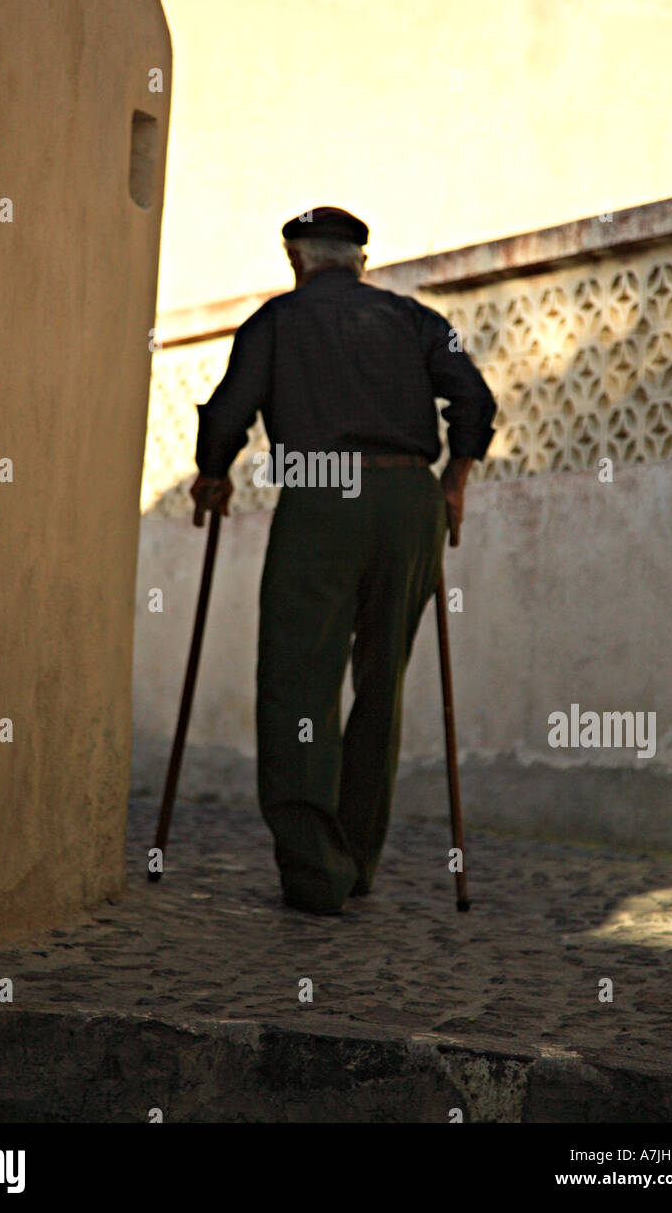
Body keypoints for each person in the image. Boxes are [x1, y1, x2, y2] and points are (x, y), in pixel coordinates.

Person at [190, 207, 496, 915]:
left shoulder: (277, 320)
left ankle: (315, 873)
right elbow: (474, 402)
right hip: (407, 497)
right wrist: (453, 483)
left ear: (295, 257)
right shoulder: (415, 319)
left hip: (323, 496)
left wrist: (214, 471)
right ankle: (358, 860)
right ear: (361, 260)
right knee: (382, 679)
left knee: (300, 680)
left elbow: (229, 412)